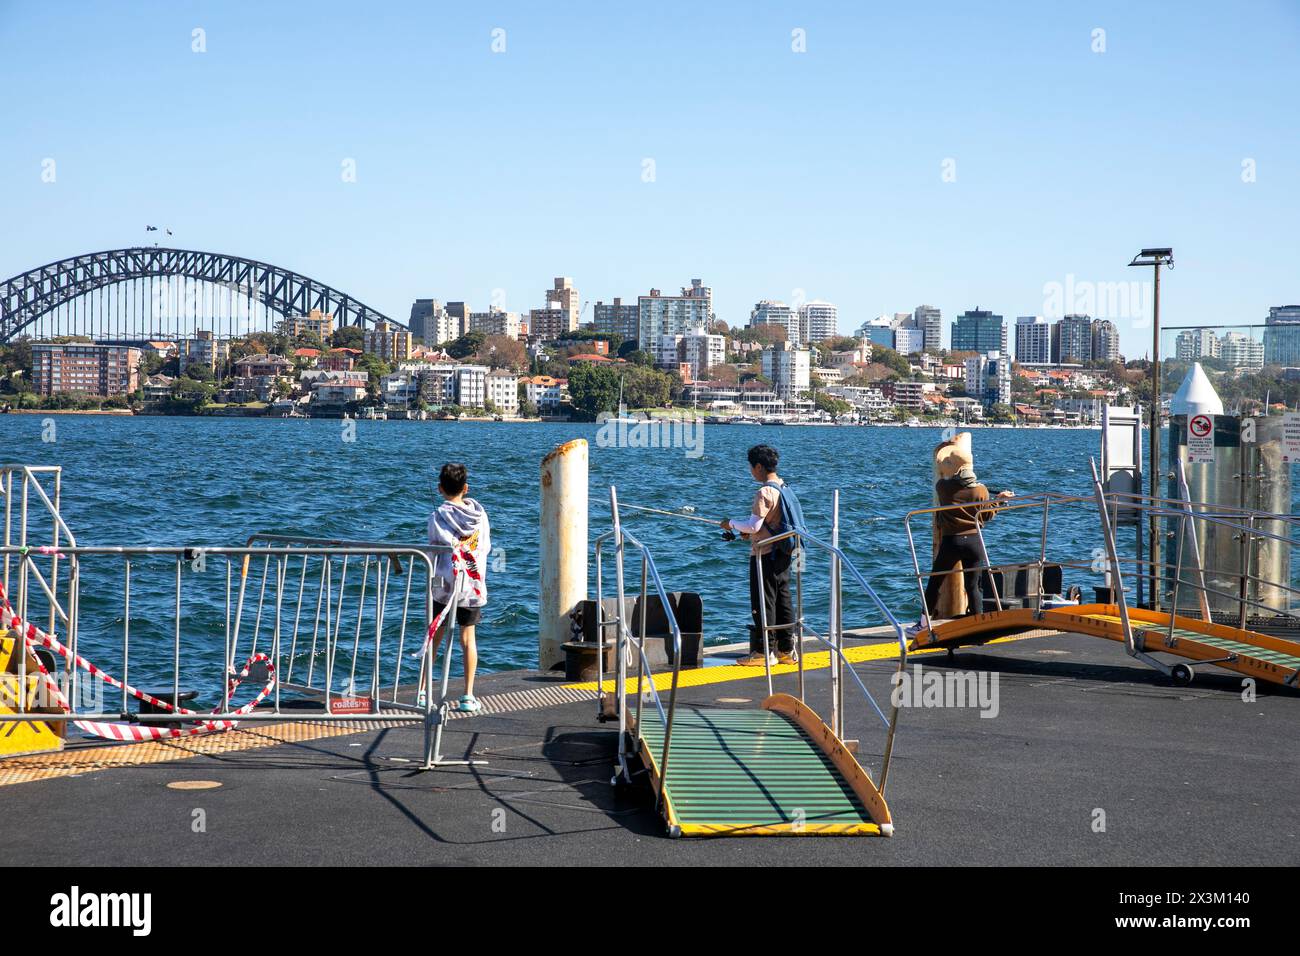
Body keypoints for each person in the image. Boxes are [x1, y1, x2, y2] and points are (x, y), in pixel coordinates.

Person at [914, 443, 1013, 633]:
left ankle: (923, 624)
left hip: (952, 541)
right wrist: (999, 500)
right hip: (975, 542)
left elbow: (948, 480)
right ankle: (979, 625)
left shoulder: (942, 487)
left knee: (935, 583)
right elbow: (986, 516)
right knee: (973, 585)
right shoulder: (981, 490)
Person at [721, 444, 805, 667]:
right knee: (783, 598)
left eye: (751, 467)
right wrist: (750, 533)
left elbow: (752, 525)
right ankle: (786, 650)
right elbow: (773, 523)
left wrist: (729, 524)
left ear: (758, 466)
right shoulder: (784, 487)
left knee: (763, 600)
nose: (751, 471)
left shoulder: (764, 491)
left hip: (765, 555)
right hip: (785, 552)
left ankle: (764, 652)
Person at [427, 462, 491, 713]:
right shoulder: (481, 516)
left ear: (440, 488)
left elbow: (433, 550)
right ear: (466, 488)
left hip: (443, 585)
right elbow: (485, 547)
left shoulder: (436, 516)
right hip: (472, 586)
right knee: (468, 639)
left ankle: (423, 692)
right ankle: (467, 695)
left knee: (435, 638)